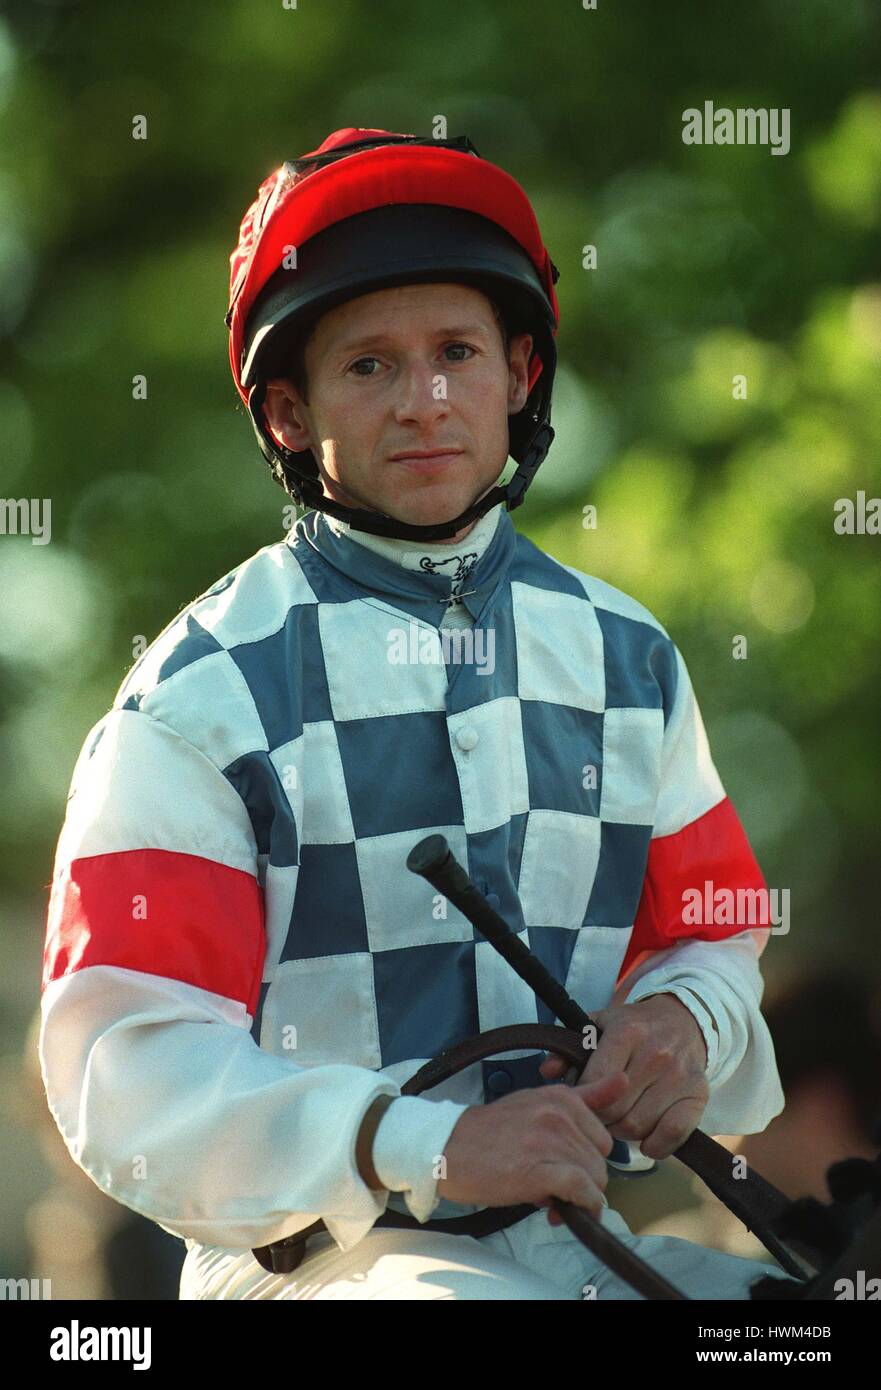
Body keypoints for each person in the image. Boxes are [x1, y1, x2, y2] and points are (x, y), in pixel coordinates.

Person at [40, 127, 788, 1300]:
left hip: (578, 1246)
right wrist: (423, 1145)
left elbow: (717, 929)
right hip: (314, 1268)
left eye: (455, 351)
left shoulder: (623, 654)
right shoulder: (196, 691)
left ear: (520, 376)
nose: (425, 402)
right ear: (288, 415)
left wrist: (685, 1022)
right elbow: (126, 1073)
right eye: (370, 367)